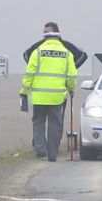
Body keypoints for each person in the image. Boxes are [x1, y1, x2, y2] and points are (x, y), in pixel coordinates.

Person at [21, 26, 79, 161]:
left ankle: (41, 150)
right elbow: (71, 75)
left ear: (45, 38)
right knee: (55, 124)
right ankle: (53, 154)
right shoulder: (66, 53)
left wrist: (24, 91)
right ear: (59, 38)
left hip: (39, 96)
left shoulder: (37, 52)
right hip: (57, 97)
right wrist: (71, 89)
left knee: (39, 121)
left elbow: (29, 73)